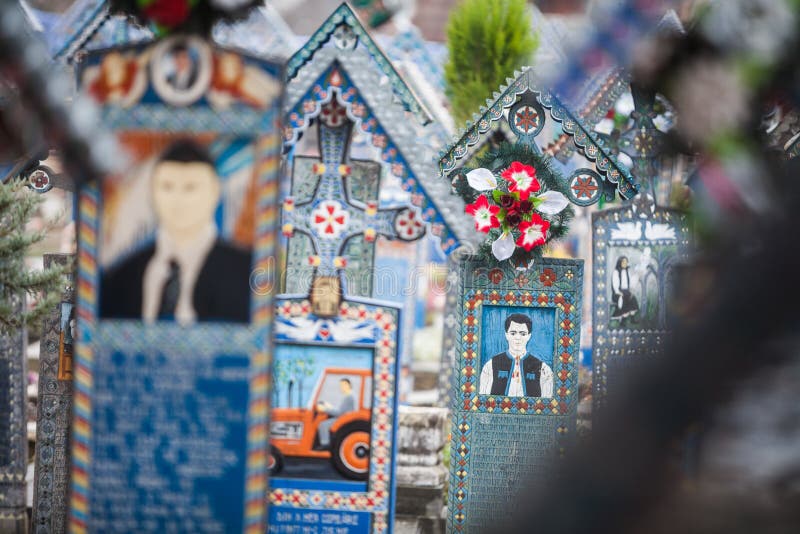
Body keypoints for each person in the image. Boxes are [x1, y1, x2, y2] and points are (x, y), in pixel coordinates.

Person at [100, 139, 252, 324]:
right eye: (167, 187)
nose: (178, 200)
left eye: (191, 188)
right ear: (153, 193)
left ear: (214, 192)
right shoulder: (122, 277)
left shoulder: (245, 272)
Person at [479, 313, 554, 397]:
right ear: (506, 335)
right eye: (513, 333)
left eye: (523, 334)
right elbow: (482, 397)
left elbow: (547, 402)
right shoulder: (490, 366)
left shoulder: (543, 369)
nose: (518, 338)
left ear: (529, 336)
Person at [316, 378, 356, 450]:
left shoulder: (349, 397)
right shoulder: (350, 396)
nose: (340, 388)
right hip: (345, 417)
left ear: (347, 385)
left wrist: (325, 409)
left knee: (323, 425)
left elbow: (339, 413)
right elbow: (341, 410)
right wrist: (329, 406)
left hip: (344, 419)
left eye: (342, 386)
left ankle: (325, 444)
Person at [611, 255, 640, 324]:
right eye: (623, 262)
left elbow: (630, 283)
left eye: (626, 262)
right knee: (625, 299)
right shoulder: (616, 272)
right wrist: (618, 292)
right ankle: (623, 321)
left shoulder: (627, 272)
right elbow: (615, 284)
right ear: (620, 262)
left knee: (632, 299)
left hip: (626, 291)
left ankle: (632, 319)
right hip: (618, 292)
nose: (625, 263)